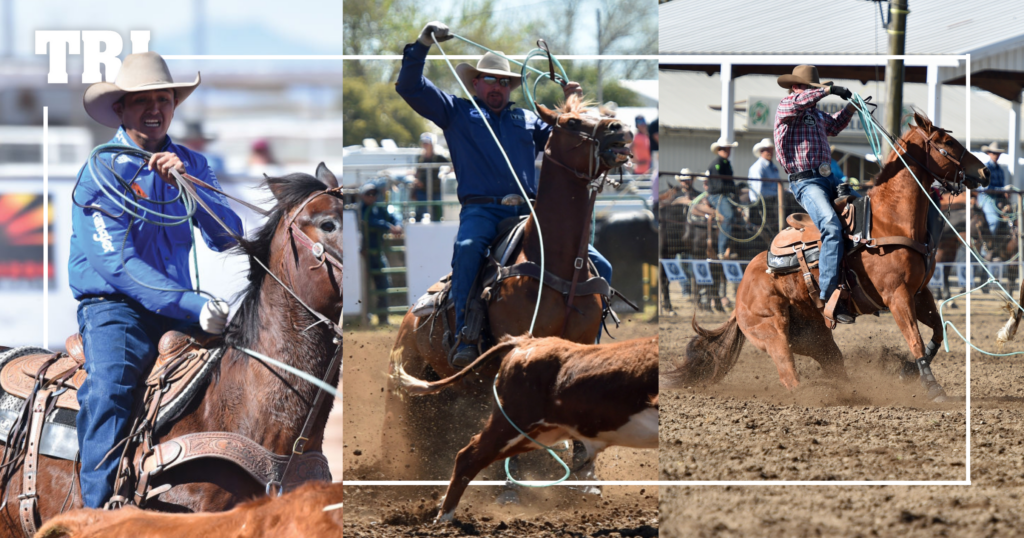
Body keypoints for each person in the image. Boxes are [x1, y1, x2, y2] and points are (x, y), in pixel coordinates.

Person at [71, 51, 244, 508]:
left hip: (176, 305)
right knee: (110, 386)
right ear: (121, 110)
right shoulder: (101, 172)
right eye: (142, 100)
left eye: (164, 99)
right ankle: (99, 513)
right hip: (114, 308)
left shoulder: (193, 164)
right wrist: (193, 306)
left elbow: (228, 236)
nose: (155, 108)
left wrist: (191, 186)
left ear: (173, 105)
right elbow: (119, 266)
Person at [396, 21, 613, 367]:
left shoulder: (527, 121)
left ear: (511, 87)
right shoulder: (456, 112)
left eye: (504, 81)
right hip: (482, 212)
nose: (497, 86)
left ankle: (593, 344)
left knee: (601, 265)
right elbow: (409, 86)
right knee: (468, 249)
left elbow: (568, 139)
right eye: (490, 80)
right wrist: (422, 43)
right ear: (476, 83)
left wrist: (572, 101)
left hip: (529, 214)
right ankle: (466, 333)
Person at [773, 64, 856, 323]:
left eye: (814, 87)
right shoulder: (787, 106)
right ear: (797, 87)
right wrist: (827, 90)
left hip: (828, 178)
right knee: (831, 226)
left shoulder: (816, 115)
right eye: (809, 87)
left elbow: (835, 125)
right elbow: (800, 102)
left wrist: (852, 108)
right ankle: (829, 293)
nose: (811, 91)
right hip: (806, 182)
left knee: (864, 216)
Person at [359, 182, 403, 325]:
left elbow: (394, 215)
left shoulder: (377, 209)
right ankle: (367, 316)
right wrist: (389, 226)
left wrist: (398, 225)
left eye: (374, 194)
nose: (372, 197)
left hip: (376, 253)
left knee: (383, 284)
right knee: (365, 287)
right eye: (368, 194)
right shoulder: (360, 209)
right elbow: (369, 222)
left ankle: (382, 318)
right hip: (365, 253)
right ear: (362, 196)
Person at [705, 137, 739, 259]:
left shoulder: (726, 164)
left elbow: (729, 182)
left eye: (728, 149)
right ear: (719, 150)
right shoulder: (716, 164)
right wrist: (731, 190)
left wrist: (735, 190)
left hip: (725, 194)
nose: (726, 151)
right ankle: (722, 249)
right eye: (724, 149)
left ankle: (730, 247)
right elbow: (719, 185)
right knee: (728, 216)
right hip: (716, 195)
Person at [409, 132, 451, 222]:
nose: (425, 145)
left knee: (437, 214)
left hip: (435, 190)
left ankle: (437, 233)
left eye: (427, 143)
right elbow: (417, 172)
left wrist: (445, 174)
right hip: (422, 190)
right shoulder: (419, 158)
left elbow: (452, 165)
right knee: (420, 212)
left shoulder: (439, 157)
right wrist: (415, 183)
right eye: (424, 143)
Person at [978, 141, 1013, 235]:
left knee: (1013, 216)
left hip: (997, 198)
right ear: (989, 153)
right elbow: (986, 188)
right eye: (994, 153)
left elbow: (1001, 186)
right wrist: (1003, 190)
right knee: (994, 221)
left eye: (998, 153)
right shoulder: (985, 168)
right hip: (986, 198)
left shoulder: (1000, 170)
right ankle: (987, 247)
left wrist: (1005, 192)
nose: (996, 155)